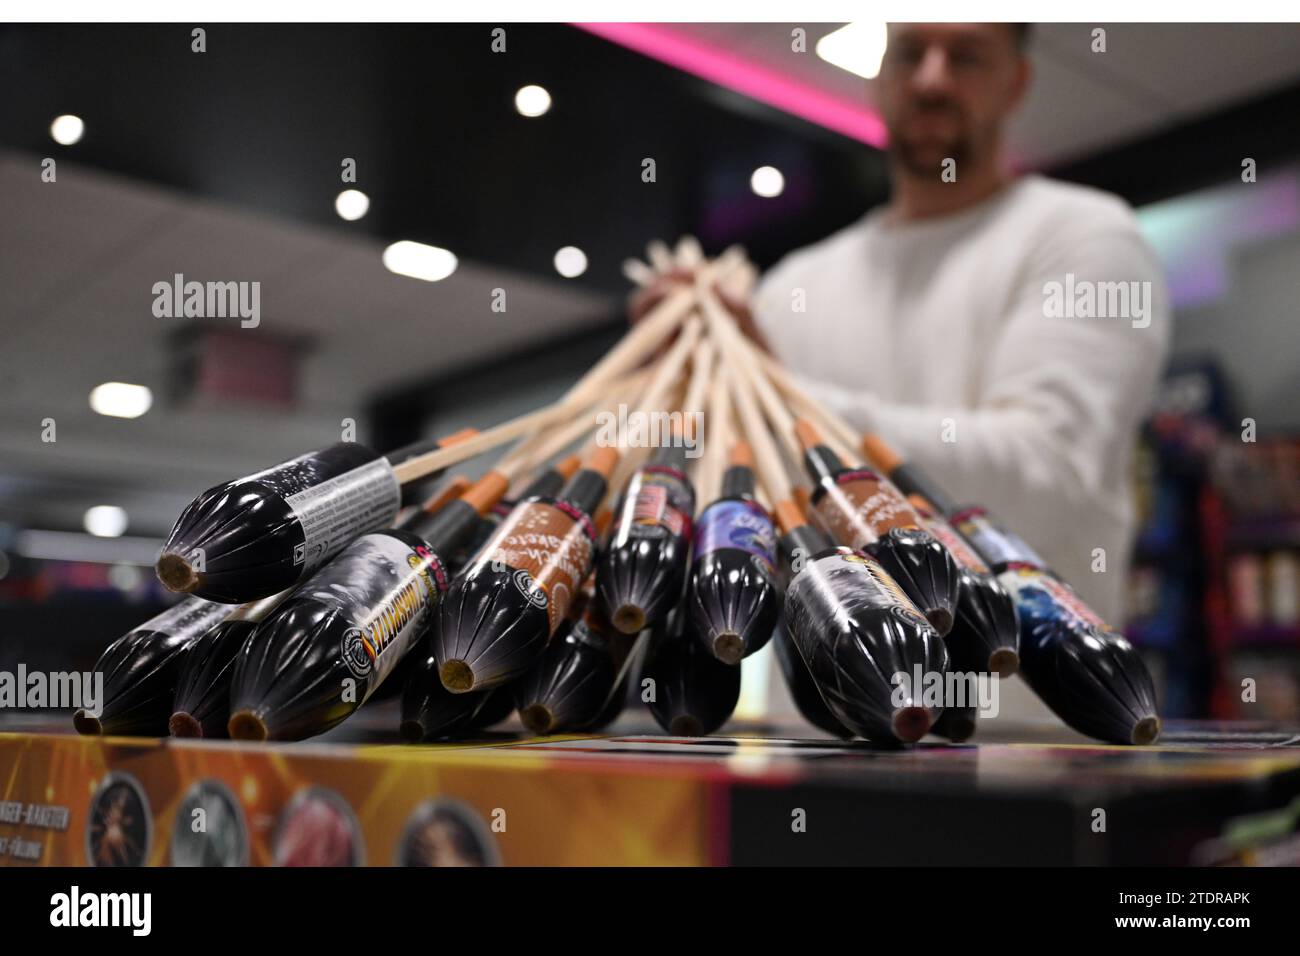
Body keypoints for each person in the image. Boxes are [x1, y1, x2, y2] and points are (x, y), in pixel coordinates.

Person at [748, 22, 1169, 628]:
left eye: (966, 56)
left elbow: (1042, 480)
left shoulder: (1086, 238)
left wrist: (773, 400)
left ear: (1016, 83)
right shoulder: (791, 285)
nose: (931, 79)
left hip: (1028, 712)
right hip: (819, 711)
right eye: (910, 53)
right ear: (880, 76)